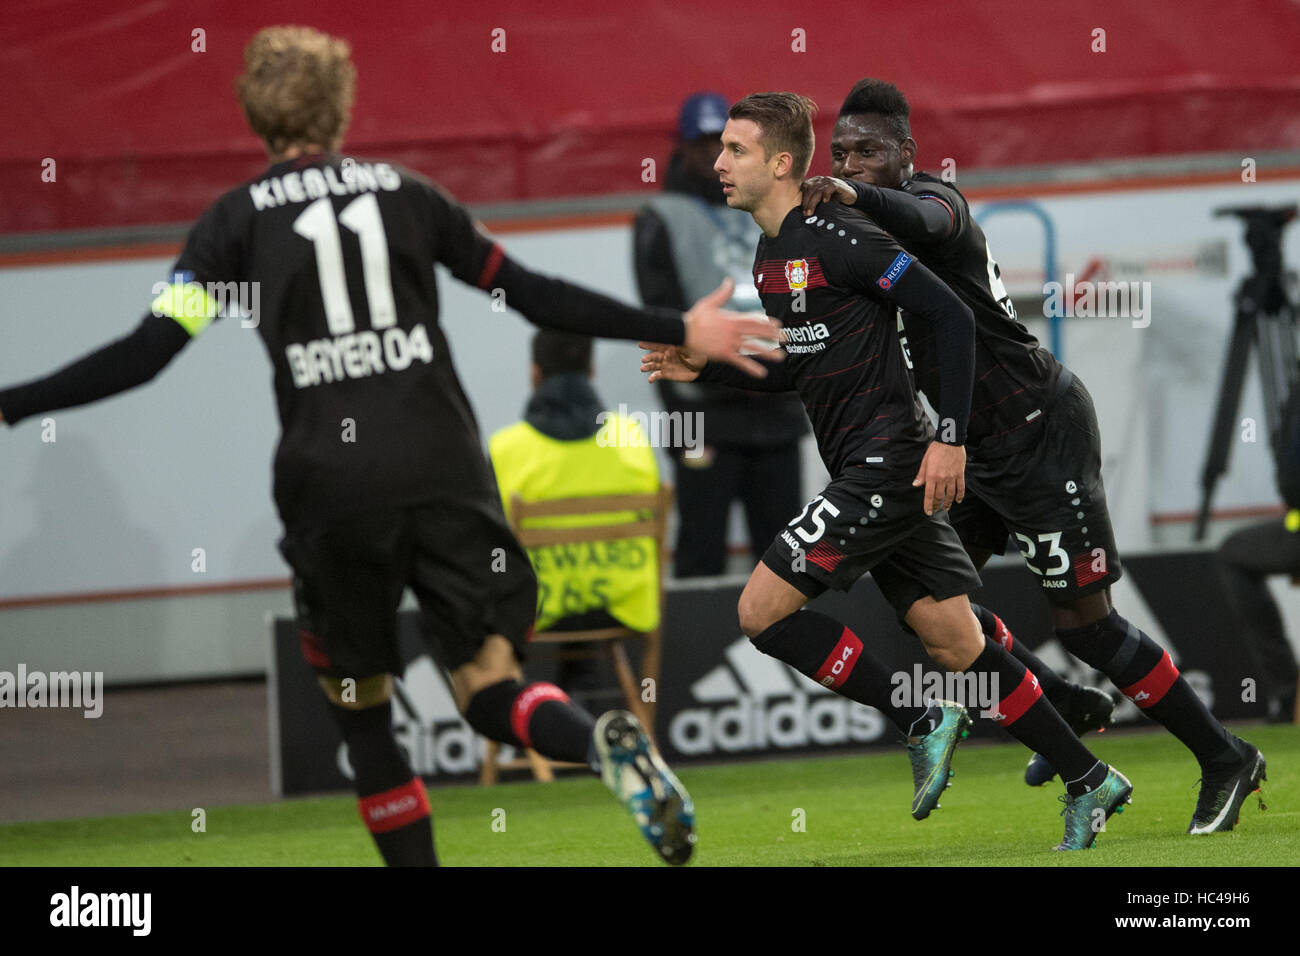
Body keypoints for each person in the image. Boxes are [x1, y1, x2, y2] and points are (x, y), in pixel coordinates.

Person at [0, 26, 785, 866]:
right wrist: (680, 327)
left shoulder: (231, 225)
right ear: (341, 106)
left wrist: (15, 404)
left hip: (330, 487)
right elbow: (534, 295)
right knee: (488, 686)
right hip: (442, 467)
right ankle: (595, 745)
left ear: (253, 113)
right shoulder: (410, 195)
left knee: (364, 711)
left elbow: (146, 354)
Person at [641, 91, 1132, 850]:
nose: (718, 163)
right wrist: (711, 365)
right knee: (956, 644)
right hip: (870, 467)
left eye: (735, 150)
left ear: (779, 162)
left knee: (757, 613)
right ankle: (1091, 779)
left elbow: (953, 316)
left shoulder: (837, 233)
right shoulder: (772, 254)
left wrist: (952, 440)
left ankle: (917, 718)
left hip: (886, 463)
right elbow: (798, 371)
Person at [799, 78, 1264, 833]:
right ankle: (1068, 700)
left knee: (1087, 623)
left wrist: (853, 198)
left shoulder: (935, 204)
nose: (853, 165)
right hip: (970, 449)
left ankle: (1224, 757)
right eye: (842, 152)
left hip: (1038, 430)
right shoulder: (864, 248)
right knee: (933, 609)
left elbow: (916, 212)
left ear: (907, 155)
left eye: (869, 152)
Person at [635, 92, 808, 577]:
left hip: (775, 412)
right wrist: (683, 430)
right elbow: (661, 327)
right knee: (700, 553)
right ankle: (699, 656)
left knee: (786, 564)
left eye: (729, 145)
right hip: (703, 418)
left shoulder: (772, 205)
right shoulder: (662, 218)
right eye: (705, 142)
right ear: (681, 148)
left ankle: (791, 654)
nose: (717, 157)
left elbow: (803, 299)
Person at [489, 330, 660, 708]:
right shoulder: (631, 437)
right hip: (622, 605)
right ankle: (579, 699)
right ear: (593, 371)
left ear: (535, 374)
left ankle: (542, 718)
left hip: (540, 610)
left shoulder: (505, 449)